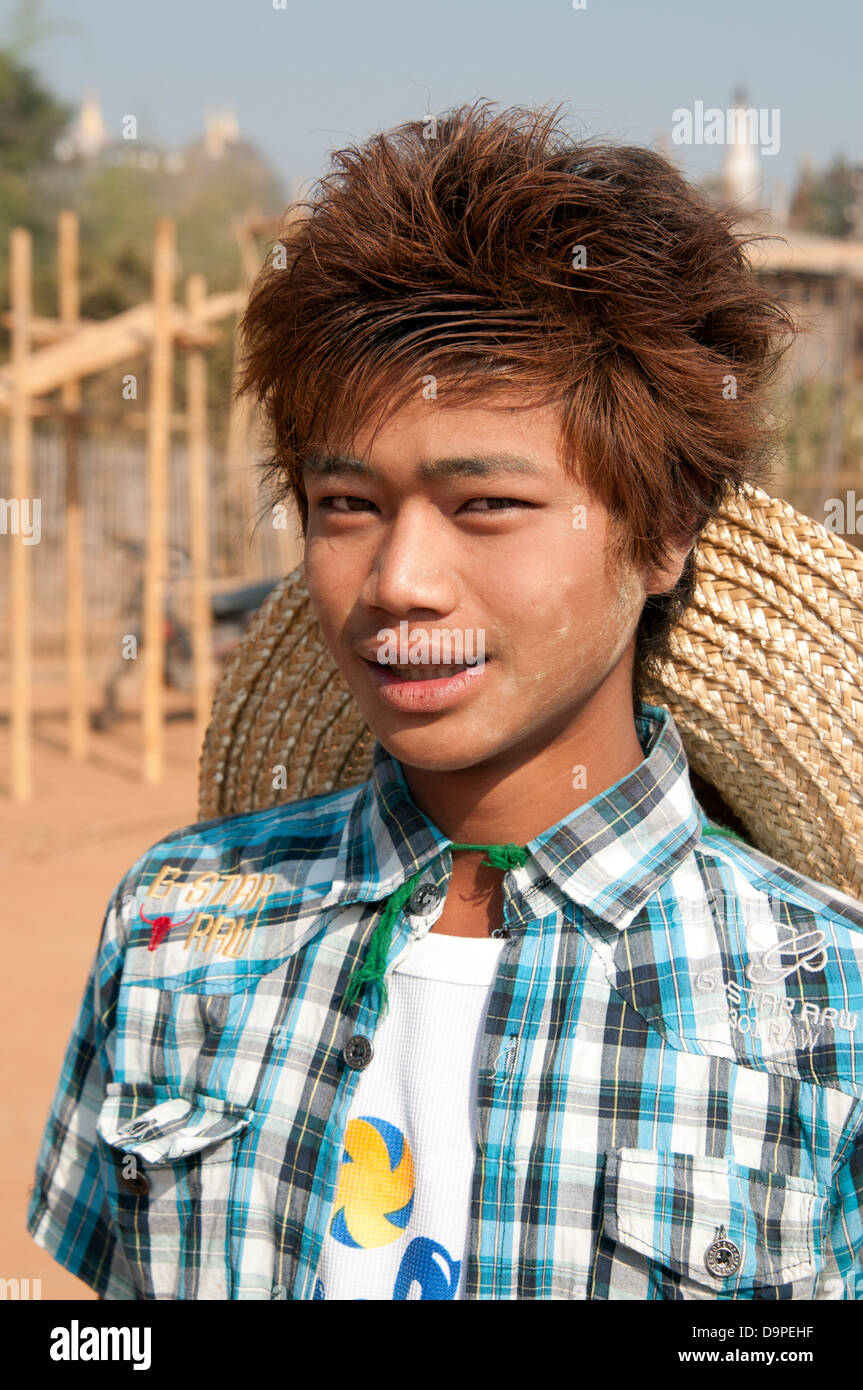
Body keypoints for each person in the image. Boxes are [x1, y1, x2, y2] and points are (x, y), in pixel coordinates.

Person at [27, 100, 863, 1300]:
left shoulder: (820, 1005)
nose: (398, 583)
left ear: (664, 529)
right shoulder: (174, 929)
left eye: (486, 506)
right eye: (346, 504)